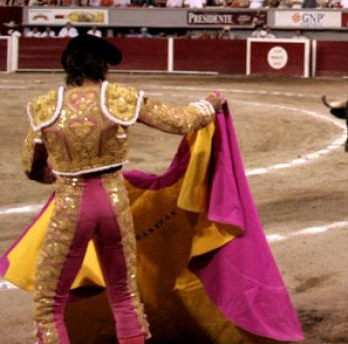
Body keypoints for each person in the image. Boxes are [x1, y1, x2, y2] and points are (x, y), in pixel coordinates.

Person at [21, 32, 225, 344]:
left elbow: (31, 166)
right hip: (114, 203)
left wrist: (54, 175)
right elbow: (179, 121)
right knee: (125, 296)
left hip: (71, 205)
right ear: (102, 66)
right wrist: (208, 105)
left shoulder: (45, 106)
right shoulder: (120, 97)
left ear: (69, 66)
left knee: (49, 307)